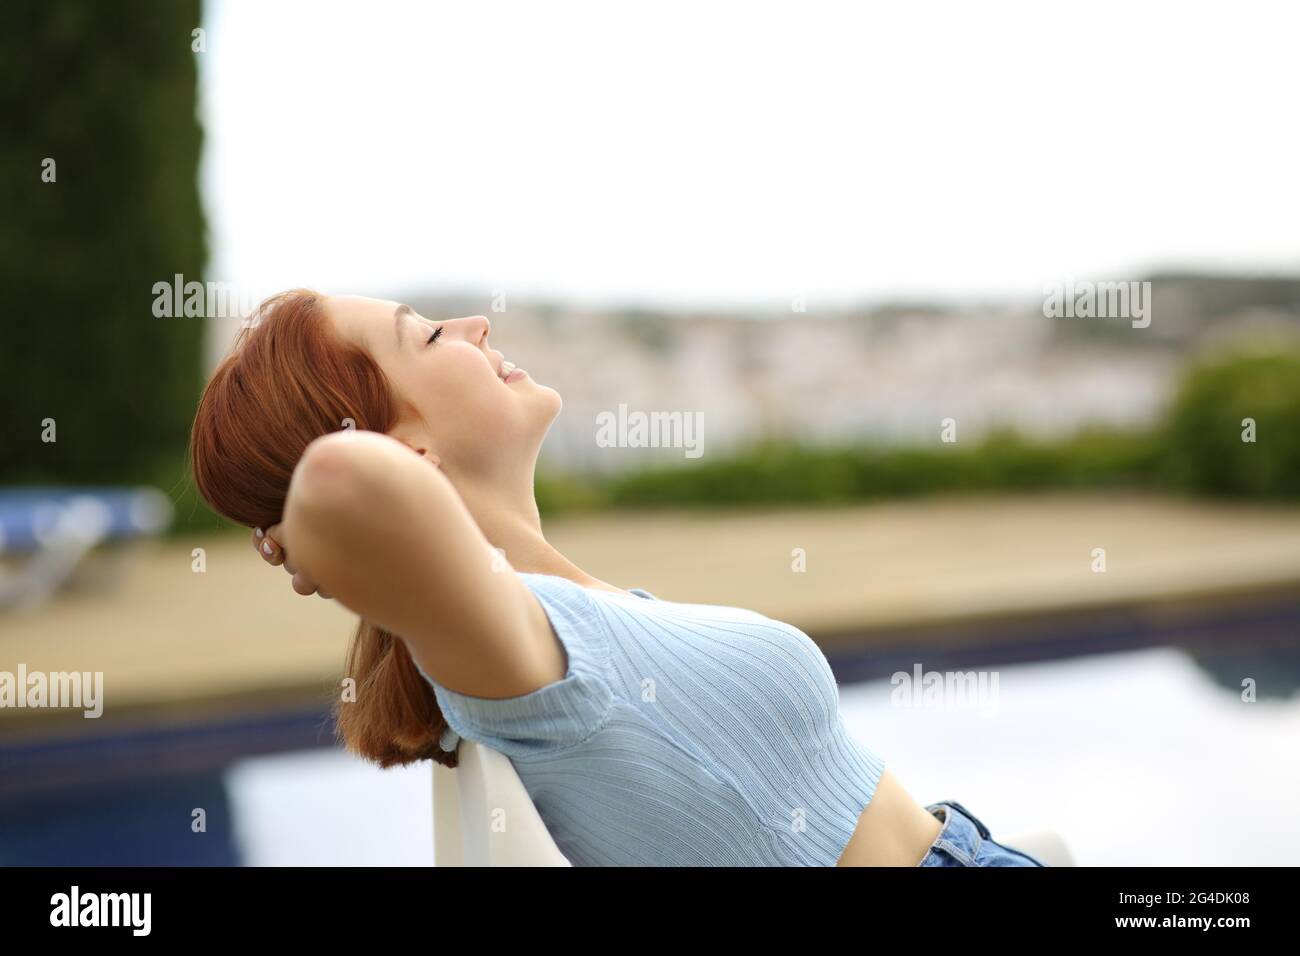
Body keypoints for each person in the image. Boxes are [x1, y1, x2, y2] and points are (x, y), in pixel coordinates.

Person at [190, 289, 1046, 867]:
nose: (476, 324)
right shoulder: (522, 654)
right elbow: (344, 485)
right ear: (399, 448)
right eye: (427, 335)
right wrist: (305, 521)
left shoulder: (558, 622)